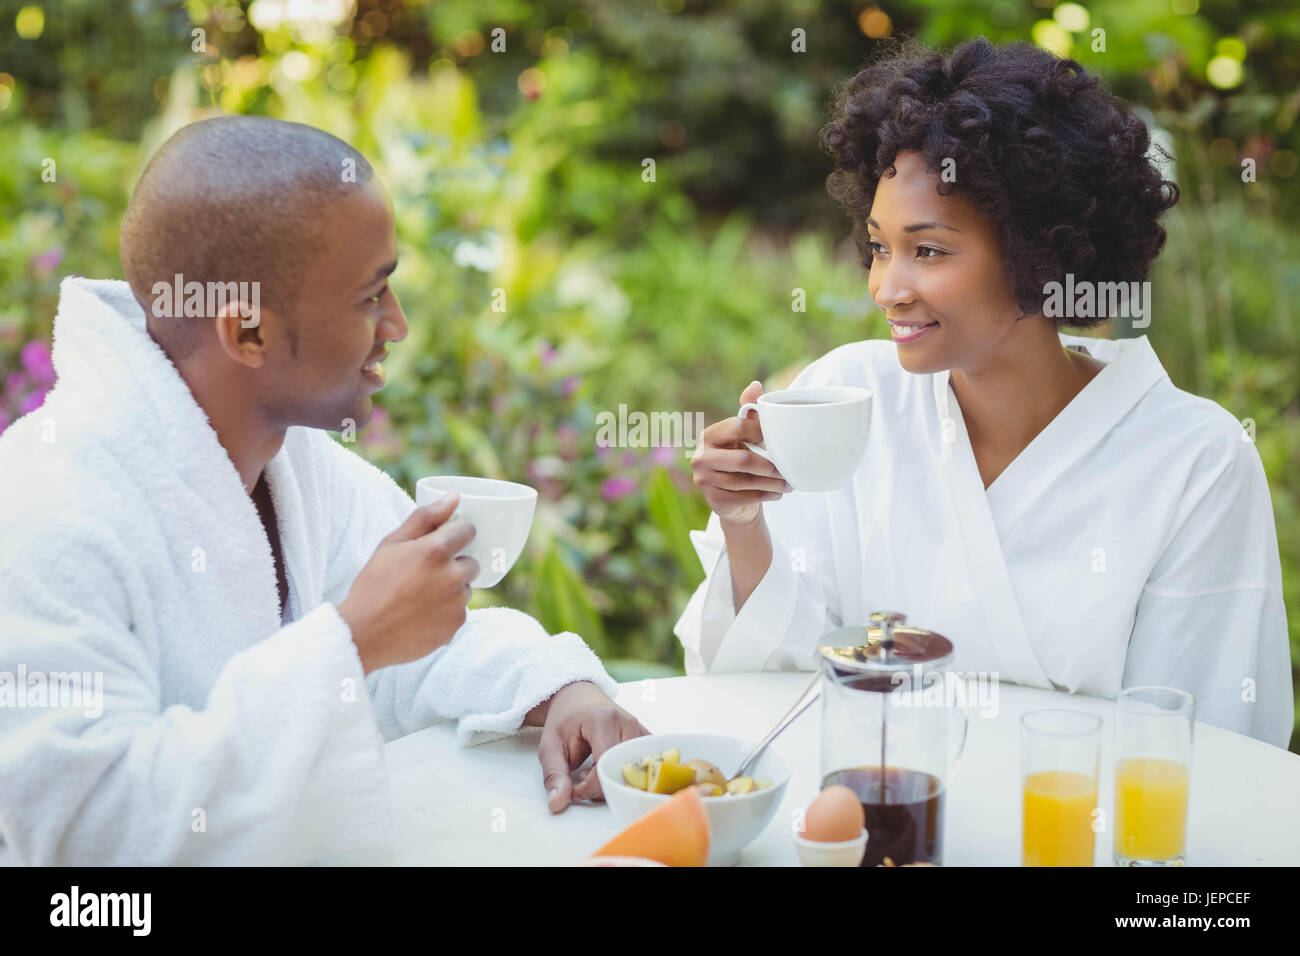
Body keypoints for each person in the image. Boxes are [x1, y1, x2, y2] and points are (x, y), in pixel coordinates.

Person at [0, 115, 647, 865]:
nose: (398, 326)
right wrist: (348, 643)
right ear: (245, 332)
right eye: (370, 297)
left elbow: (424, 634)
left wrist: (558, 689)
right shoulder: (43, 510)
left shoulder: (296, 465)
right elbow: (91, 833)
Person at [675, 37, 1292, 749]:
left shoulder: (1194, 462)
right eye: (880, 247)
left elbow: (1200, 749)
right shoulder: (843, 397)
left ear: (1041, 253)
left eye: (928, 251)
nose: (886, 288)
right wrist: (744, 520)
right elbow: (770, 684)